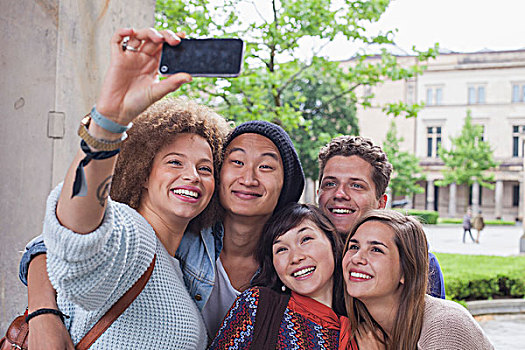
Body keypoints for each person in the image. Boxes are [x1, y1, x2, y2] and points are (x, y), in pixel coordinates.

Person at [24, 27, 231, 349]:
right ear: (142, 174)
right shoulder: (128, 234)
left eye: (205, 168)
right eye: (174, 162)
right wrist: (108, 122)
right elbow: (76, 236)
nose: (192, 175)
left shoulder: (185, 272)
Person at [19, 119, 305, 342]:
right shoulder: (179, 232)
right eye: (237, 162)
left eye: (266, 167)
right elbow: (55, 243)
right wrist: (44, 314)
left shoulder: (289, 261)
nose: (248, 178)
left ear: (285, 186)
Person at [209, 203, 359, 349]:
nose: (295, 258)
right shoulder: (257, 305)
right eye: (281, 249)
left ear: (332, 243)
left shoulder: (360, 331)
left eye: (306, 239)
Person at [342, 209, 494, 349]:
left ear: (406, 271)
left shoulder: (445, 326)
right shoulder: (366, 328)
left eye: (376, 249)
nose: (356, 258)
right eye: (354, 246)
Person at [316, 135, 446, 299]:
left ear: (381, 202)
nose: (340, 194)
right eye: (330, 184)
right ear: (318, 193)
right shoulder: (297, 257)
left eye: (356, 185)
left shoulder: (416, 262)